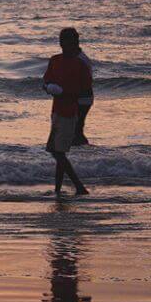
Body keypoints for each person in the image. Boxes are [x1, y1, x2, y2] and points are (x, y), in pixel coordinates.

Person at [43, 28, 91, 196]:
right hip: (56, 111)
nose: (75, 45)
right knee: (58, 151)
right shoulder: (54, 60)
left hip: (70, 112)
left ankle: (79, 187)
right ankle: (57, 189)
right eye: (71, 42)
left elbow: (85, 93)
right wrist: (49, 87)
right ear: (62, 43)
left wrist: (81, 121)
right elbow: (45, 81)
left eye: (76, 41)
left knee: (57, 152)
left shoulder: (81, 65)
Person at [74, 40, 93, 146]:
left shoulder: (81, 60)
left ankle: (82, 148)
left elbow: (85, 81)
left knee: (76, 127)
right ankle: (82, 149)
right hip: (84, 96)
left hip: (83, 97)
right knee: (77, 126)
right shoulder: (80, 58)